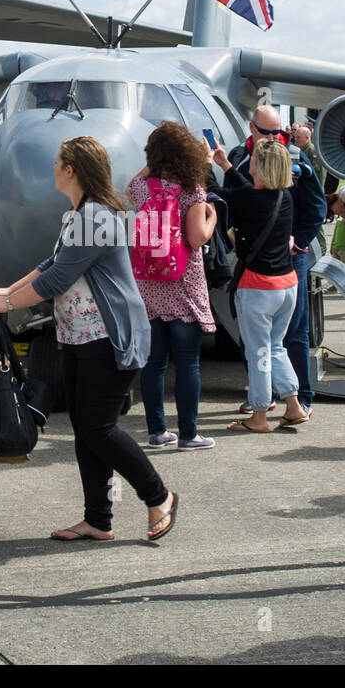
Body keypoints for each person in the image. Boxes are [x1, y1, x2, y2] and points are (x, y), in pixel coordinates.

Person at [0, 136, 178, 543]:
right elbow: (48, 265)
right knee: (85, 429)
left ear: (71, 170)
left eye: (56, 162)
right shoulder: (78, 216)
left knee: (99, 428)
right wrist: (6, 293)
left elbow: (57, 279)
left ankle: (159, 496)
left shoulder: (95, 219)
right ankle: (97, 519)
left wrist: (8, 305)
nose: (52, 168)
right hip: (77, 338)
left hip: (108, 338)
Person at [225, 106, 326, 417]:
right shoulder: (241, 156)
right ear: (251, 128)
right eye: (266, 132)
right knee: (260, 338)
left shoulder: (295, 156)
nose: (273, 138)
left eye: (277, 132)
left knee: (290, 333)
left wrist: (299, 240)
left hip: (287, 257)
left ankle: (300, 397)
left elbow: (316, 206)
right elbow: (236, 200)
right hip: (255, 257)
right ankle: (267, 395)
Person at [126, 122, 217, 451]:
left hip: (149, 286)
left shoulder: (142, 189)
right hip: (183, 285)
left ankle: (157, 432)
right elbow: (197, 238)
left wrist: (156, 157)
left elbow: (131, 182)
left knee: (154, 364)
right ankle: (190, 435)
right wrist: (212, 217)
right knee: (188, 363)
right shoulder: (192, 191)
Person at [211, 138, 308, 433]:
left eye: (252, 158)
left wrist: (206, 166)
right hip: (287, 284)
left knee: (258, 352)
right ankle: (294, 405)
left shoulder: (248, 200)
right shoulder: (287, 195)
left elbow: (218, 193)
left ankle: (259, 415)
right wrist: (225, 165)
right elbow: (243, 191)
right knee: (275, 347)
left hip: (258, 287)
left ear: (259, 166)